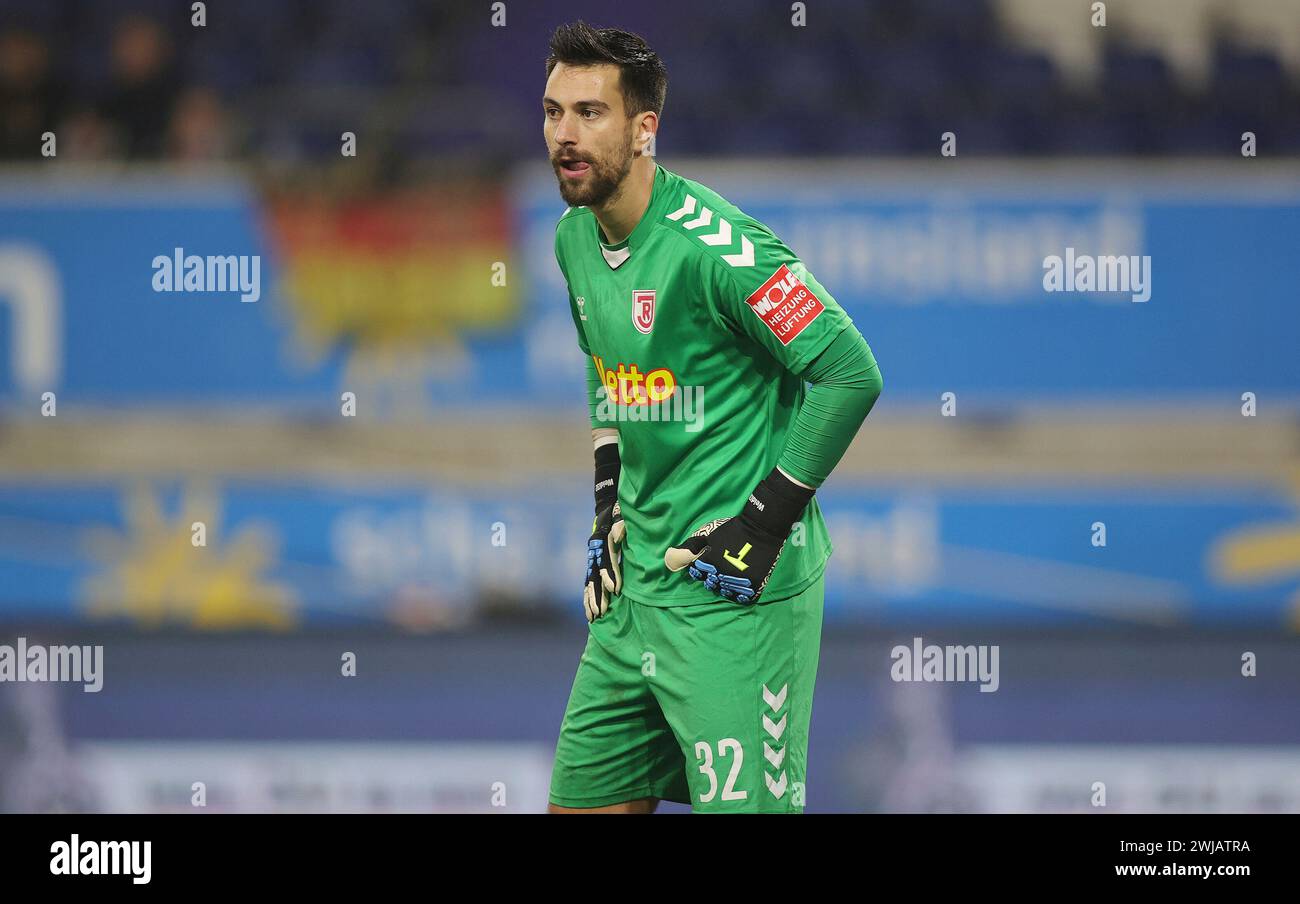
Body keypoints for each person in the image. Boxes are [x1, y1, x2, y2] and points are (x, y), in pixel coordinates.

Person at [543, 21, 882, 813]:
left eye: (591, 113)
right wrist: (606, 501)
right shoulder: (572, 241)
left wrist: (762, 525)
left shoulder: (722, 250)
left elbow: (849, 373)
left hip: (736, 603)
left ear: (644, 129)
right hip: (635, 602)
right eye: (554, 111)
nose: (565, 134)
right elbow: (608, 369)